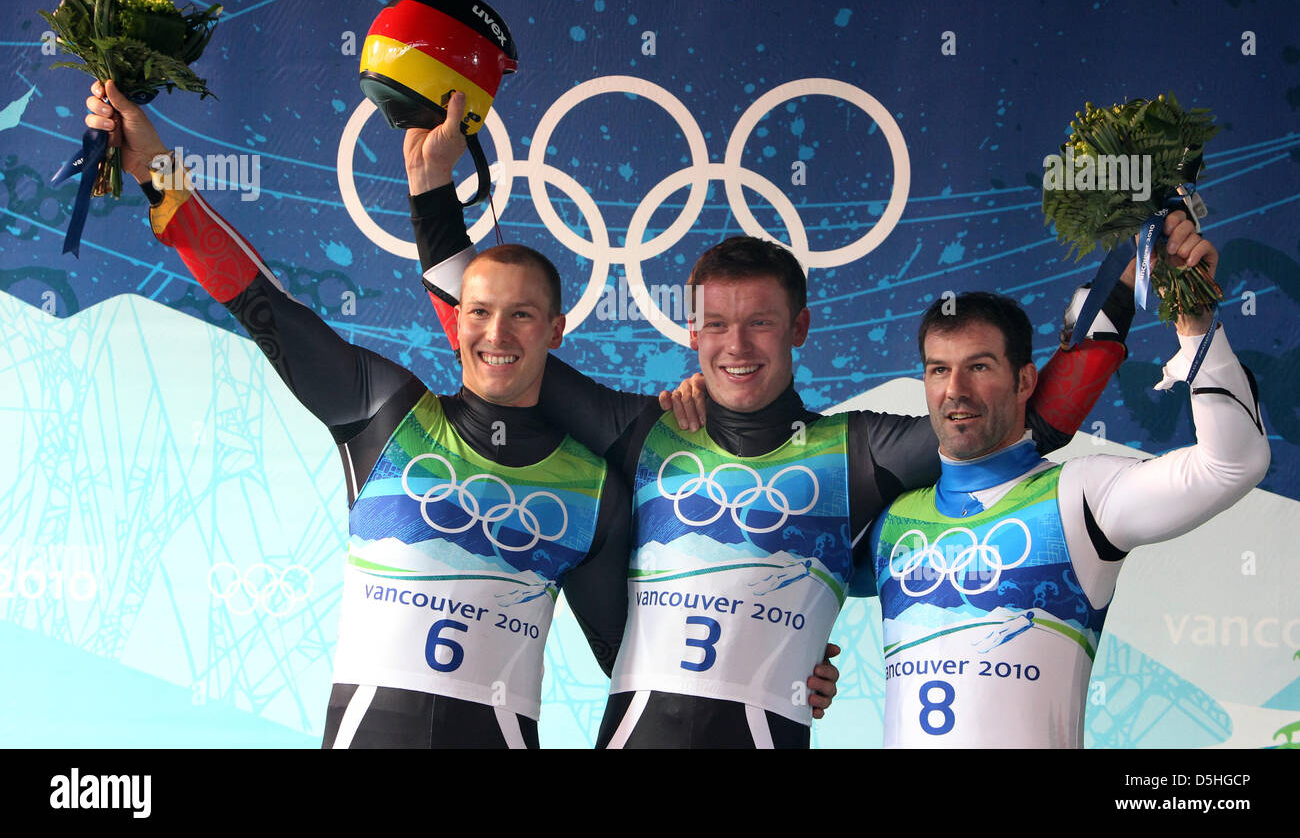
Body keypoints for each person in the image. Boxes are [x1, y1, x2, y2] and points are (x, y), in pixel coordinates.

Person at [410, 159, 1134, 747]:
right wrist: (432, 183)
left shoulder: (855, 451)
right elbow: (495, 346)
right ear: (692, 332)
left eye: (760, 322)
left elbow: (1035, 420)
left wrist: (1131, 259)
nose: (736, 345)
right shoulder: (648, 428)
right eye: (717, 324)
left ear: (801, 327)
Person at [83, 79, 632, 748]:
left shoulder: (594, 485)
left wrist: (799, 669)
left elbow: (636, 665)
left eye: (522, 314)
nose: (497, 333)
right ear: (455, 323)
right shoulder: (385, 412)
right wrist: (155, 171)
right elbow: (262, 304)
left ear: (556, 330)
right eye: (480, 312)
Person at [870, 215, 1269, 746]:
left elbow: (1232, 464)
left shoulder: (1080, 498)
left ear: (1025, 381)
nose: (955, 390)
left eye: (980, 367)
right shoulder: (891, 521)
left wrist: (1194, 321)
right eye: (938, 370)